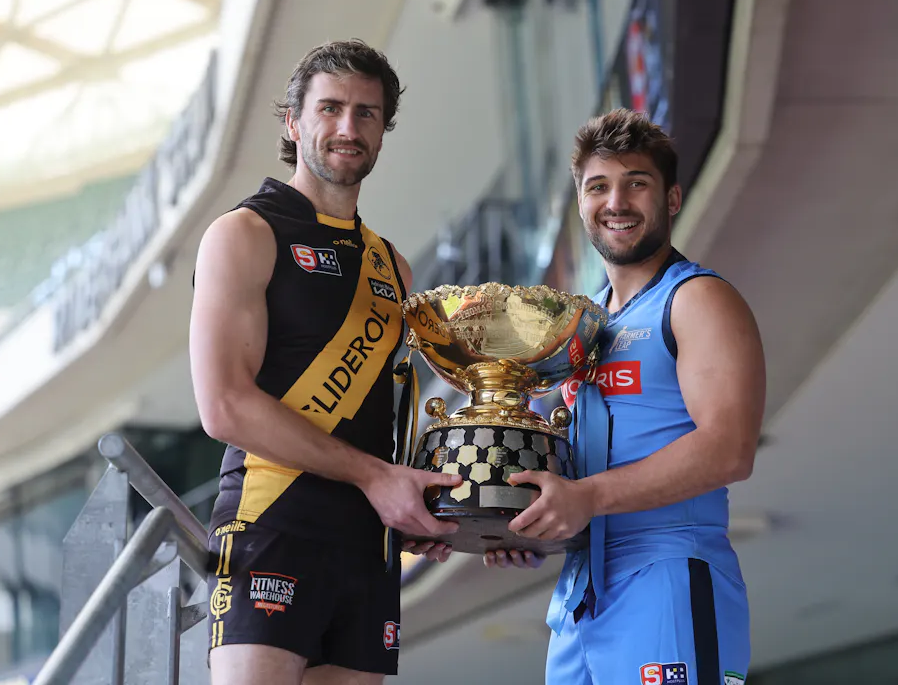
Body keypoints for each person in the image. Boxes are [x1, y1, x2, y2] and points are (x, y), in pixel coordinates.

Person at [189, 39, 462, 685]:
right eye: (330, 108)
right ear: (293, 121)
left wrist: (415, 497)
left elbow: (383, 417)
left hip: (367, 542)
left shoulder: (393, 266)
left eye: (367, 113)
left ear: (383, 131)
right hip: (270, 523)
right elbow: (223, 406)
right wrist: (375, 477)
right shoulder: (244, 233)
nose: (348, 127)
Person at [486, 108, 766, 685]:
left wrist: (585, 498)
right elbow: (573, 470)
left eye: (636, 183)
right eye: (598, 187)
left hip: (669, 575)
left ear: (672, 199)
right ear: (581, 203)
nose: (616, 202)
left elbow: (730, 448)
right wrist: (523, 521)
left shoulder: (696, 298)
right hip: (580, 593)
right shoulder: (579, 326)